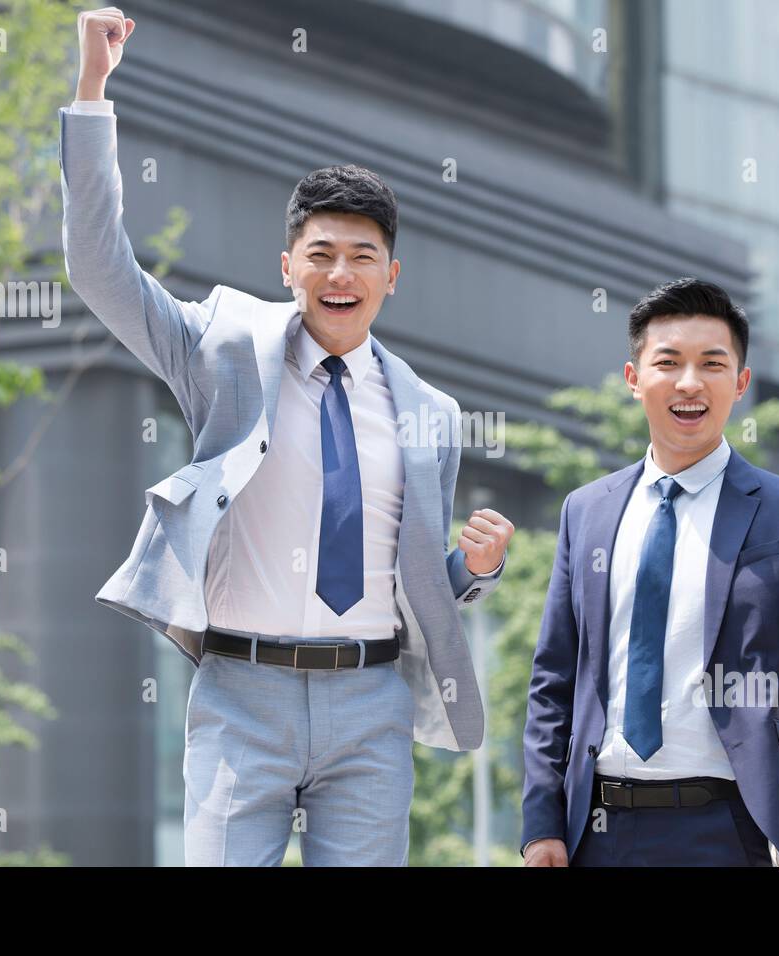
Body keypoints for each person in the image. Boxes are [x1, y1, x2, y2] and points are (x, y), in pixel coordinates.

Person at [63, 7, 514, 866]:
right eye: (320, 253)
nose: (339, 273)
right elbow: (98, 267)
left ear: (392, 274)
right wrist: (93, 91)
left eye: (361, 255)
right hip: (244, 696)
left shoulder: (432, 415)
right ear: (287, 267)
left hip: (371, 704)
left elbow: (411, 580)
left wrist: (475, 573)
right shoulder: (222, 347)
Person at [521, 277, 779, 866]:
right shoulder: (586, 511)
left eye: (712, 364)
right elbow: (553, 679)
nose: (690, 383)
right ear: (634, 379)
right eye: (669, 362)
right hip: (597, 830)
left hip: (726, 829)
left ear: (740, 384)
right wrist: (541, 824)